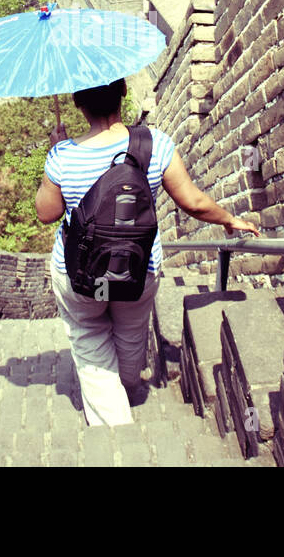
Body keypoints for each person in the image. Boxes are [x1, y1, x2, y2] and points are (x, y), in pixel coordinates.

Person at [35, 78, 260, 427]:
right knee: (131, 333)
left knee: (89, 338)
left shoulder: (62, 155)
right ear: (123, 91)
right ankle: (126, 388)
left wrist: (56, 154)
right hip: (138, 270)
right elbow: (193, 202)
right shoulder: (155, 144)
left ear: (78, 102)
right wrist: (229, 220)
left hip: (79, 273)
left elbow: (46, 213)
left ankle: (114, 425)